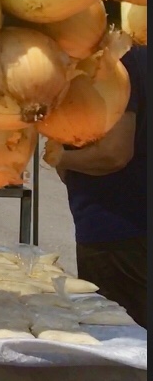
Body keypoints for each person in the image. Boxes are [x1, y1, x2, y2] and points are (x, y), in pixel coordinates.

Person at [43, 44, 147, 328]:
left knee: (122, 346)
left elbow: (114, 153)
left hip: (116, 235)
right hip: (122, 232)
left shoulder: (113, 63)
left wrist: (61, 157)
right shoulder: (136, 56)